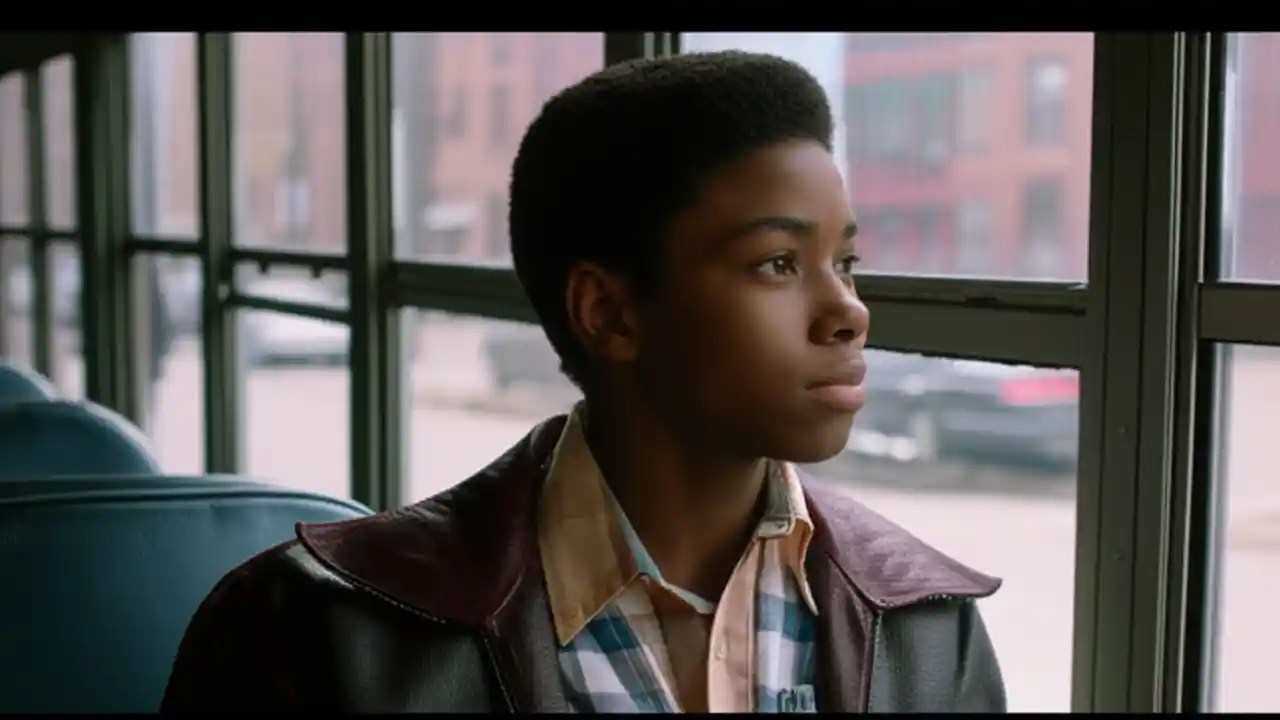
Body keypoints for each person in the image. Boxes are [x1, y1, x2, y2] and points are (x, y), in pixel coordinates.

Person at [161, 50, 1005, 713]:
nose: (848, 312)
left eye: (845, 262)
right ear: (609, 313)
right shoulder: (315, 637)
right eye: (778, 263)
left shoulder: (926, 627)